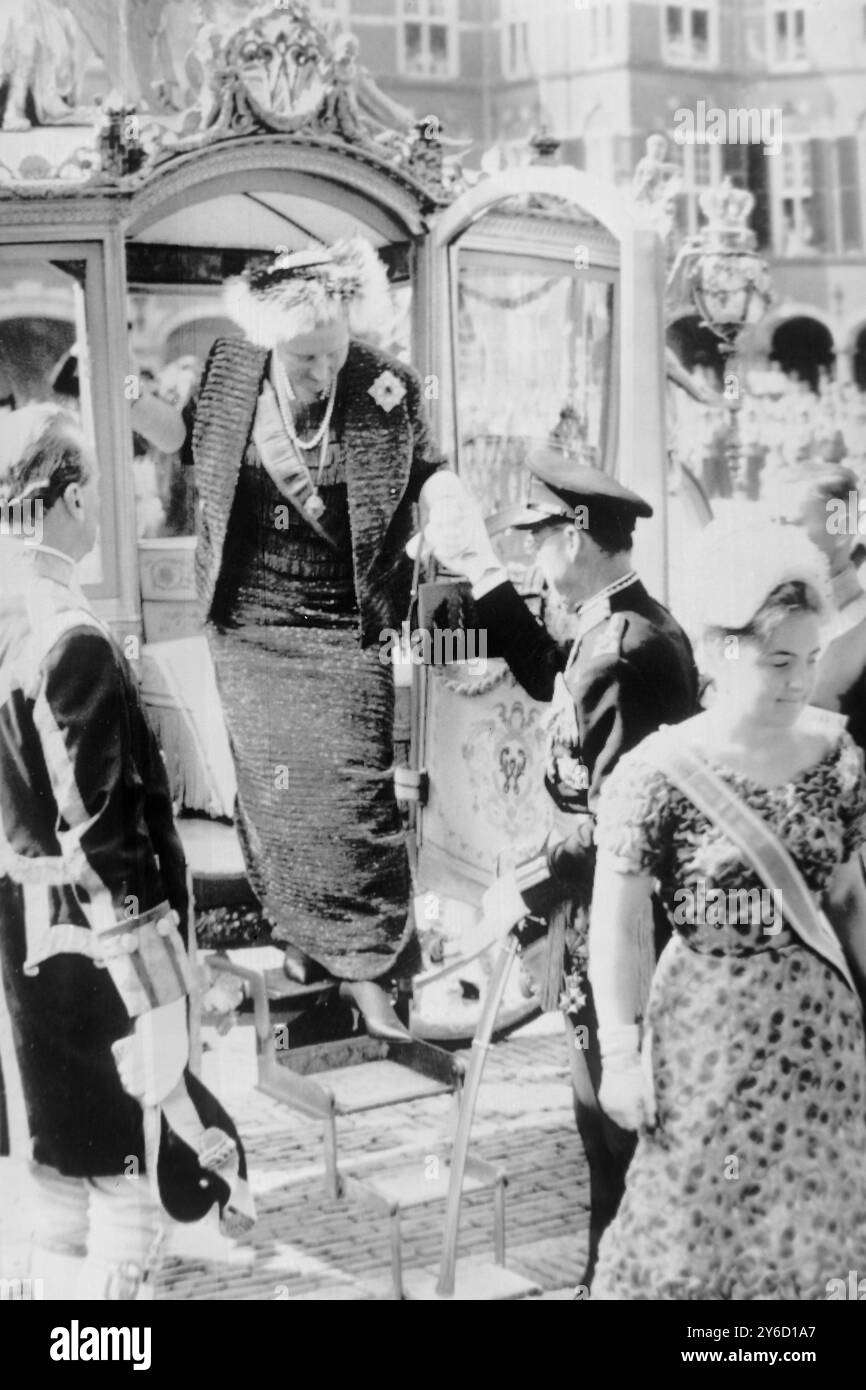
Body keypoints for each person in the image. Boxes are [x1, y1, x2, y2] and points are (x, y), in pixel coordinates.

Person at [422, 449, 699, 1285]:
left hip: (621, 927)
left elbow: (620, 826)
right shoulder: (632, 624)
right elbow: (550, 675)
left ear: (577, 535)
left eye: (540, 539)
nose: (534, 557)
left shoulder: (620, 649)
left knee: (614, 1126)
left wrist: (528, 881)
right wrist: (479, 571)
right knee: (613, 1129)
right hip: (616, 913)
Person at [0, 404, 254, 1300]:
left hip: (32, 946)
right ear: (70, 496)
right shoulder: (67, 638)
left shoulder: (9, 622)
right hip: (97, 956)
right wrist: (157, 1003)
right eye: (98, 486)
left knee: (59, 1176)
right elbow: (102, 832)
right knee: (125, 1185)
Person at [588, 518, 866, 1300]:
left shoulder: (839, 760)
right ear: (717, 650)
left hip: (823, 1057)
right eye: (778, 660)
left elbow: (846, 899)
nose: (798, 681)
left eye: (811, 660)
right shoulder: (660, 772)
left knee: (813, 1242)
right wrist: (619, 1055)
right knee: (692, 1239)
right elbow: (619, 922)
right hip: (705, 1048)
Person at [188, 236, 448, 1040]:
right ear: (269, 341)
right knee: (282, 806)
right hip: (254, 625)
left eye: (334, 353)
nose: (323, 373)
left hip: (348, 623)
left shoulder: (387, 387)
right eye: (304, 358)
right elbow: (195, 465)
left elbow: (427, 478)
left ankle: (371, 975)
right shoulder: (229, 372)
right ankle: (309, 965)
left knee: (359, 803)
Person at [779, 465, 866, 755]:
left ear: (841, 529)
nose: (774, 538)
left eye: (790, 524)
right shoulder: (762, 613)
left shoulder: (857, 628)